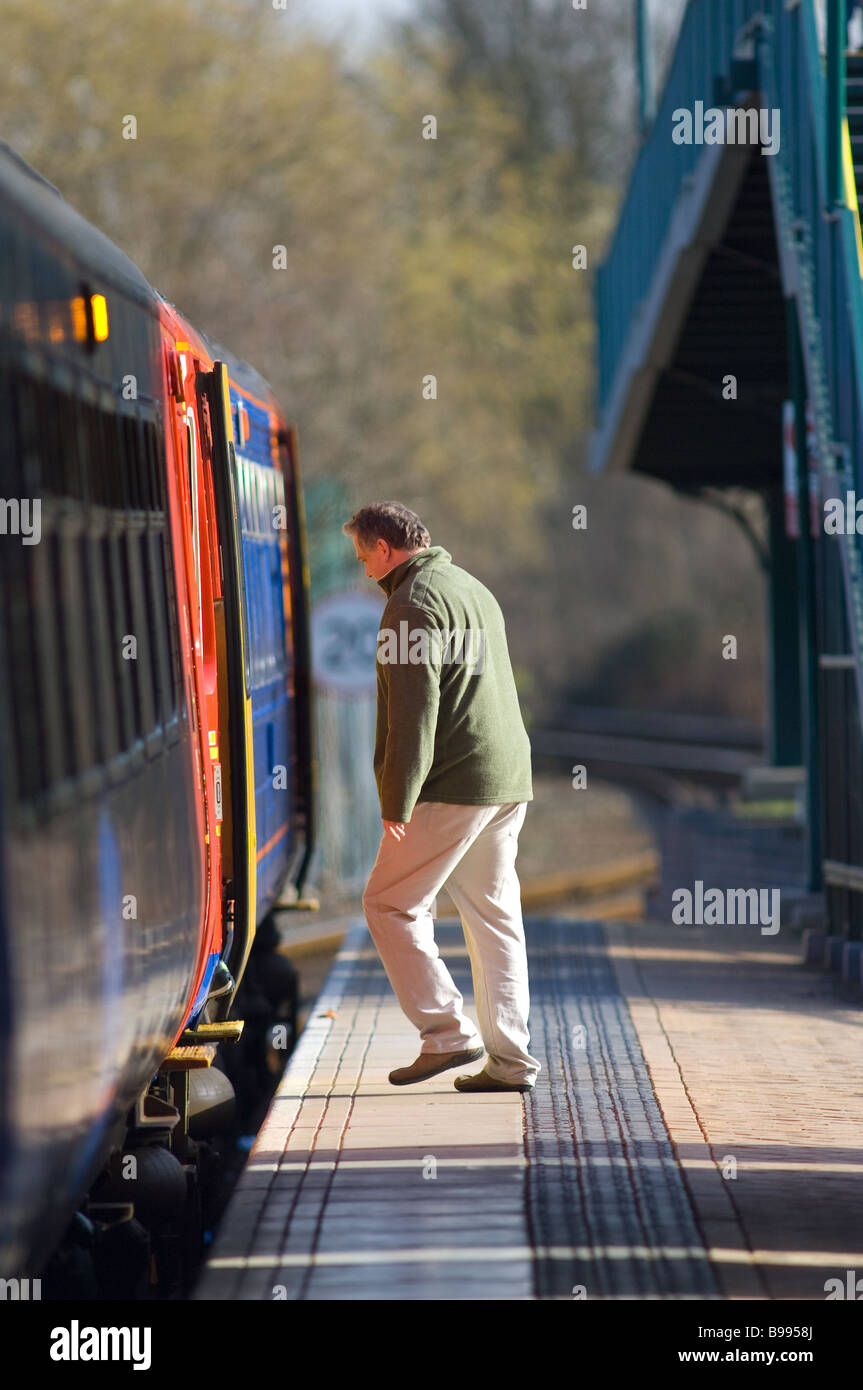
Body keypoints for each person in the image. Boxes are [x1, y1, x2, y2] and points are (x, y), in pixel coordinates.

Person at [342, 500, 540, 1093]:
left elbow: (414, 716)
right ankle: (511, 1062)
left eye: (363, 558)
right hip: (505, 779)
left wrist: (395, 803)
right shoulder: (470, 587)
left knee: (389, 904)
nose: (364, 572)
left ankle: (447, 1034)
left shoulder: (412, 604)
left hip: (454, 782)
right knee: (495, 919)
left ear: (384, 548)